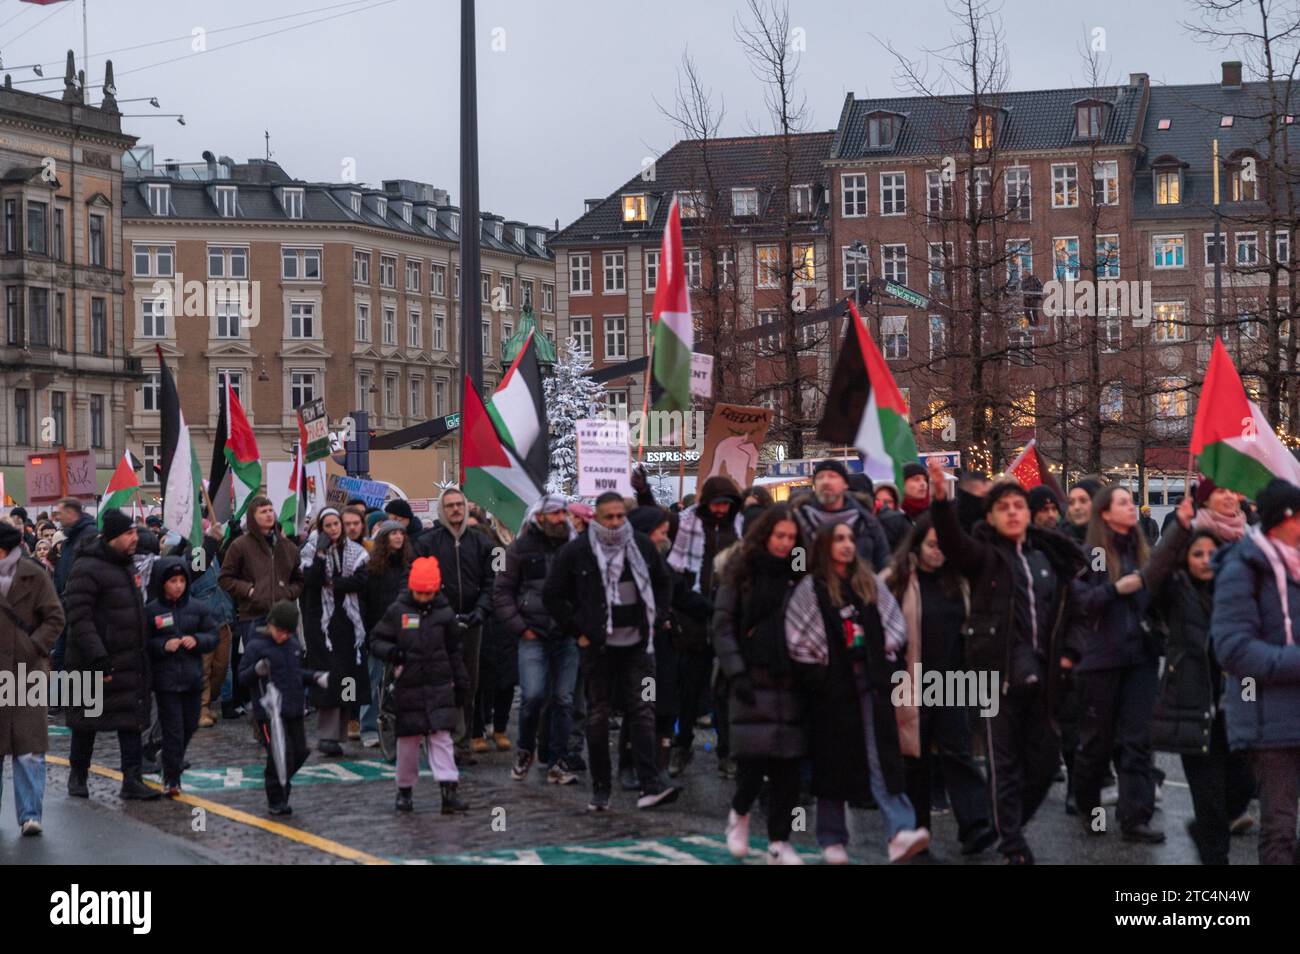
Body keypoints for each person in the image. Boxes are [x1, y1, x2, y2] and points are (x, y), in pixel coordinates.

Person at [927, 457, 1085, 864]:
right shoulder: (984, 558)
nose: (1013, 512)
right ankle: (1013, 846)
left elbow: (1073, 613)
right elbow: (952, 543)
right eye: (1003, 507)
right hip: (997, 678)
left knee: (1047, 761)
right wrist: (941, 499)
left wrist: (1069, 655)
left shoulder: (1047, 557)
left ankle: (1006, 827)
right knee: (1004, 766)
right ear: (991, 517)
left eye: (1018, 506)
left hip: (1045, 678)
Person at [786, 522, 930, 864]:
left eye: (850, 538)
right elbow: (798, 639)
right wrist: (820, 678)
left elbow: (895, 627)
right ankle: (832, 839)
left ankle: (899, 831)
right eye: (838, 538)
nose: (847, 544)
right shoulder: (812, 588)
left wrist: (887, 667)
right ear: (823, 545)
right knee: (832, 760)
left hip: (871, 686)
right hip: (832, 689)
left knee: (882, 757)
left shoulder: (869, 585)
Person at [544, 492, 677, 811]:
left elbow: (663, 582)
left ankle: (650, 784)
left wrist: (657, 617)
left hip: (639, 647)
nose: (616, 522)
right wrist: (579, 631)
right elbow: (553, 595)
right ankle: (601, 789)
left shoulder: (642, 546)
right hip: (598, 649)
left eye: (620, 516)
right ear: (597, 518)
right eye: (609, 517)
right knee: (599, 716)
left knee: (644, 709)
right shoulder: (577, 552)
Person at [883, 512, 998, 856]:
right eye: (932, 544)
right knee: (914, 762)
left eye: (944, 545)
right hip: (910, 681)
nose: (939, 551)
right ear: (917, 544)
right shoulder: (896, 579)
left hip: (952, 681)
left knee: (959, 753)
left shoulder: (958, 579)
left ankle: (976, 827)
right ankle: (917, 836)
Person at [1149, 498, 1255, 864]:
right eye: (1197, 553)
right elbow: (1152, 576)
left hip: (1237, 711)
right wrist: (1178, 528)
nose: (1206, 559)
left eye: (1213, 552)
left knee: (1245, 786)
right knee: (1209, 800)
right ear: (1186, 559)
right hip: (1194, 712)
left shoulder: (1236, 591)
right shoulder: (1175, 593)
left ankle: (1211, 829)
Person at [1066, 484, 1167, 844]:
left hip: (1140, 658)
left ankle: (1135, 819)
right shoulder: (1094, 553)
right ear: (1105, 513)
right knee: (1097, 744)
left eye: (1130, 502)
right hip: (1101, 660)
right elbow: (1081, 601)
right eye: (1123, 502)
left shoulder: (1143, 553)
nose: (1131, 507)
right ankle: (1089, 810)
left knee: (1137, 740)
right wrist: (1114, 590)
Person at [1209, 477, 1300, 865]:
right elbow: (1232, 648)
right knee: (1279, 828)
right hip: (1269, 722)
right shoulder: (1243, 566)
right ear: (1286, 519)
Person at [712, 505, 807, 861]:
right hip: (752, 676)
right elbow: (722, 626)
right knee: (752, 763)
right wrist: (736, 671)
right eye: (779, 536)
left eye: (791, 538)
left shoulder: (799, 572)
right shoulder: (741, 571)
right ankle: (739, 813)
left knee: (788, 768)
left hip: (792, 678)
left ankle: (779, 842)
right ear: (765, 534)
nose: (785, 544)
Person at [62, 509, 159, 801]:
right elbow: (79, 616)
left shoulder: (126, 566)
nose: (135, 539)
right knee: (85, 723)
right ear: (113, 537)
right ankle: (77, 776)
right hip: (92, 661)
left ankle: (132, 779)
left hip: (128, 659)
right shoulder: (86, 567)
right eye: (129, 534)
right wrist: (97, 656)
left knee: (130, 720)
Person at [370, 556, 471, 814]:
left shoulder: (445, 614)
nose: (423, 598)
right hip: (409, 686)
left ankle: (449, 791)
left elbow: (454, 650)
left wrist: (461, 683)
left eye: (428, 593)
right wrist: (393, 652)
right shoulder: (398, 611)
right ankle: (404, 792)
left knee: (442, 740)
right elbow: (377, 640)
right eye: (419, 593)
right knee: (408, 744)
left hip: (439, 686)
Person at [663, 475, 743, 777]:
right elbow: (675, 573)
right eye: (716, 504)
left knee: (723, 691)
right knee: (690, 690)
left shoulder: (739, 526)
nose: (721, 509)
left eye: (725, 504)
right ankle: (681, 747)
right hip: (694, 618)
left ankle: (727, 752)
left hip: (727, 616)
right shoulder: (687, 524)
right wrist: (688, 607)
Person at [495, 495, 578, 781]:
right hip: (533, 634)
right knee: (532, 696)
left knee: (564, 700)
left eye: (562, 513)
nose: (559, 518)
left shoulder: (573, 546)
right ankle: (525, 749)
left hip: (566, 635)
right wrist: (521, 627)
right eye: (554, 513)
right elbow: (502, 591)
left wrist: (578, 623)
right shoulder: (519, 548)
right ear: (540, 516)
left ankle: (557, 760)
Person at [416, 487, 496, 763]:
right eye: (449, 505)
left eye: (459, 505)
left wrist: (481, 610)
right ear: (442, 509)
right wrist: (439, 613)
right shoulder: (428, 543)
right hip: (439, 624)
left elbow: (491, 583)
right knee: (439, 683)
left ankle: (461, 743)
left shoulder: (482, 543)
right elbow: (420, 583)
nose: (455, 510)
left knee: (467, 684)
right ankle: (439, 739)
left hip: (472, 623)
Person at [0, 522, 65, 834]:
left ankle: (30, 815)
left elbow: (55, 617)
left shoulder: (34, 574)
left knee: (28, 750)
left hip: (28, 675)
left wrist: (33, 645)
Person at [239, 600, 328, 815]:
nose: (283, 636)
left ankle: (282, 783)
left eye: (288, 632)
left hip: (293, 708)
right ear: (270, 624)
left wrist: (315, 677)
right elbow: (242, 678)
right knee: (279, 753)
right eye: (279, 630)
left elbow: (296, 674)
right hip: (268, 713)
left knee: (300, 751)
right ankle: (276, 796)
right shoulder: (256, 646)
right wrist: (256, 670)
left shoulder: (292, 646)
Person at [218, 497, 304, 712]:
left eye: (270, 510)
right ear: (252, 517)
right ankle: (262, 718)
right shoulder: (240, 546)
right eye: (263, 511)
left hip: (283, 617)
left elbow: (299, 579)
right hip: (254, 617)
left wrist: (288, 593)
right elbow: (225, 578)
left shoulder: (287, 547)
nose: (268, 514)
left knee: (287, 668)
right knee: (259, 670)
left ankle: (287, 714)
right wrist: (249, 591)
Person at [144, 558, 218, 797]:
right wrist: (163, 645)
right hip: (166, 682)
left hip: (192, 678)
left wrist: (197, 641)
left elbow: (212, 635)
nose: (178, 586)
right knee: (173, 729)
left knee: (189, 726)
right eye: (172, 581)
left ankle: (170, 759)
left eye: (182, 581)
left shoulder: (197, 608)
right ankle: (172, 776)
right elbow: (144, 643)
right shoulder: (152, 610)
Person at [299, 508, 369, 756]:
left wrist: (336, 584)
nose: (334, 529)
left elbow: (361, 580)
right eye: (328, 525)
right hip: (321, 624)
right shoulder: (310, 552)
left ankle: (342, 731)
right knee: (328, 677)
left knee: (348, 676)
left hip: (349, 623)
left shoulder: (356, 551)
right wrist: (320, 552)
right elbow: (312, 580)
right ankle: (327, 735)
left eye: (336, 524)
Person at [360, 521, 413, 747]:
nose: (399, 537)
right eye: (393, 533)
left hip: (404, 631)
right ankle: (368, 728)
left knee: (402, 682)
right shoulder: (371, 568)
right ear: (384, 538)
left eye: (401, 533)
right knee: (373, 681)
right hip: (377, 631)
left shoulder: (409, 566)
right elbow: (364, 602)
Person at [792, 459, 892, 571]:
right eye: (820, 477)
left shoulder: (866, 521)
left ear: (845, 484)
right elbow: (795, 567)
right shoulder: (799, 521)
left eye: (832, 476)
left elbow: (882, 560)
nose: (826, 481)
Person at [1192, 478, 1248, 545]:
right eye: (1221, 491)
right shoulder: (1192, 529)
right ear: (1206, 501)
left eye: (1232, 491)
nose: (1229, 496)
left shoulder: (1248, 531)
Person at [1063, 478, 1101, 545]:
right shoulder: (1060, 542)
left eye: (1083, 501)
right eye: (1071, 502)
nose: (1076, 507)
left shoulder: (1116, 537)